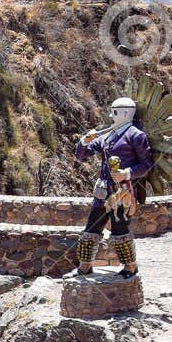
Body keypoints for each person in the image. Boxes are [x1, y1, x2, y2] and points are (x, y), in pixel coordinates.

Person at [72, 96, 153, 278]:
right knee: (91, 228)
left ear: (125, 113)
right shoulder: (107, 136)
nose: (111, 115)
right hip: (102, 191)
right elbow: (81, 155)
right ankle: (85, 266)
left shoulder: (136, 136)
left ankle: (130, 267)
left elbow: (147, 165)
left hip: (122, 192)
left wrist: (127, 173)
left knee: (120, 230)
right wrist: (84, 141)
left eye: (114, 112)